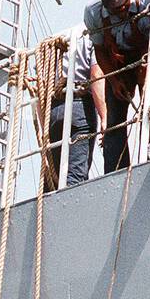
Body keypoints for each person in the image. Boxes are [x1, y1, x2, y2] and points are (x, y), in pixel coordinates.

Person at [84, 0, 150, 173]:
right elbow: (100, 50)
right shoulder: (93, 13)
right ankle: (115, 170)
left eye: (123, 5)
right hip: (117, 66)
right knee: (114, 121)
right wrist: (114, 81)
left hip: (147, 60)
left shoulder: (148, 6)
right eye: (114, 8)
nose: (120, 10)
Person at [48, 30, 107, 187]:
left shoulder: (54, 43)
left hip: (53, 111)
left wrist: (42, 129)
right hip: (80, 106)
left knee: (54, 175)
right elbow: (96, 75)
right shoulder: (92, 35)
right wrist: (104, 116)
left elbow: (42, 90)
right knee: (75, 176)